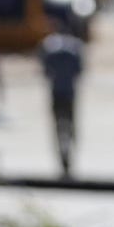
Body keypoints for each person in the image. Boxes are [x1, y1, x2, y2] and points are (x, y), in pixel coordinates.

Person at [38, 20, 85, 180]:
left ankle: (62, 154)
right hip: (69, 91)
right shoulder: (75, 47)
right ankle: (69, 153)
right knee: (70, 123)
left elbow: (45, 71)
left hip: (56, 91)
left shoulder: (49, 46)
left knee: (58, 125)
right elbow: (80, 70)